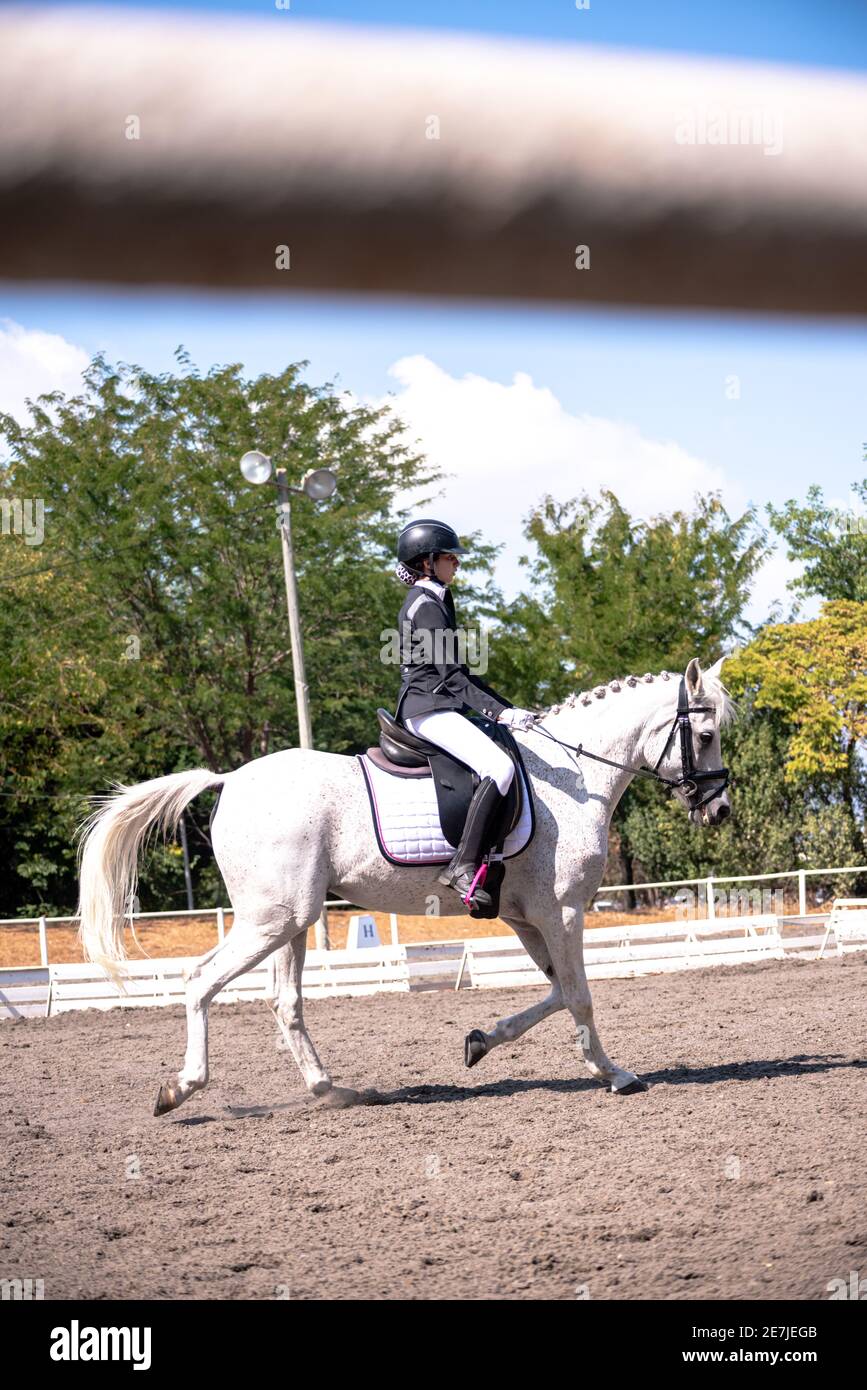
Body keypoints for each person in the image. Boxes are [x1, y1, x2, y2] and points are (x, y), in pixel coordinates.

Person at [393, 518, 537, 913]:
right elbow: (451, 676)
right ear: (427, 563)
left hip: (439, 703)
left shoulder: (438, 598)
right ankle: (463, 865)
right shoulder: (425, 606)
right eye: (449, 558)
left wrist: (509, 709)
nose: (456, 564)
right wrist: (500, 714)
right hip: (427, 707)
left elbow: (464, 674)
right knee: (500, 768)